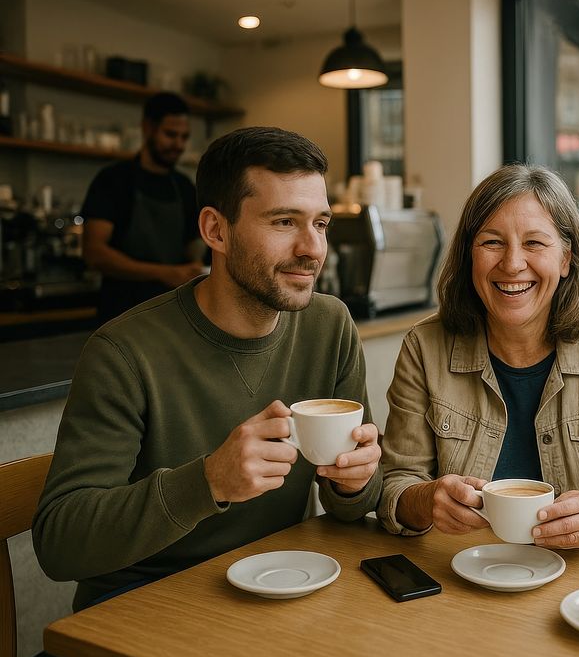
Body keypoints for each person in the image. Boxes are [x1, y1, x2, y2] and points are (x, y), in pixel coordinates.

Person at [33, 126, 382, 610]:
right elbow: (60, 544)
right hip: (142, 601)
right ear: (216, 230)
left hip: (281, 582)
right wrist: (208, 482)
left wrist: (357, 481)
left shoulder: (330, 326)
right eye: (284, 222)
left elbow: (353, 511)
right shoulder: (123, 351)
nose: (313, 249)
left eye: (320, 224)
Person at [377, 164, 579, 548]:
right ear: (469, 257)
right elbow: (395, 483)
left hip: (576, 576)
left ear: (565, 259)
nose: (512, 264)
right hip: (459, 570)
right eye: (492, 242)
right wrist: (427, 500)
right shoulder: (424, 346)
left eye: (534, 243)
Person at [82, 91, 205, 323]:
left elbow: (193, 242)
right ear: (148, 128)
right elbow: (94, 253)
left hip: (173, 313)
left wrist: (198, 261)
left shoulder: (184, 186)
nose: (178, 144)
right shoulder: (113, 180)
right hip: (121, 314)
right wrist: (164, 273)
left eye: (184, 137)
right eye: (170, 135)